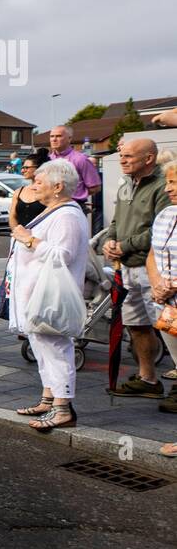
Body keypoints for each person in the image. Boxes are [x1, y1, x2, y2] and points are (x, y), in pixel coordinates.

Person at [7, 159, 91, 429]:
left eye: (39, 182)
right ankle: (49, 399)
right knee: (41, 346)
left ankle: (63, 408)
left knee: (56, 349)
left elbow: (62, 256)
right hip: (37, 294)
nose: (33, 186)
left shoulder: (67, 215)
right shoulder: (55, 211)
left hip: (51, 296)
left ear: (57, 187)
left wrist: (28, 239)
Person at [102, 137, 167, 397]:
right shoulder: (126, 185)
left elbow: (160, 231)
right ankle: (148, 378)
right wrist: (109, 241)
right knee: (136, 325)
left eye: (128, 156)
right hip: (127, 268)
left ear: (148, 158)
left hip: (152, 269)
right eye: (122, 156)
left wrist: (124, 245)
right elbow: (116, 221)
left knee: (166, 326)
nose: (123, 160)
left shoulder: (163, 187)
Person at [146, 159, 177, 415]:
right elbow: (152, 255)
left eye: (174, 182)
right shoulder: (165, 215)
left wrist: (172, 285)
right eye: (168, 182)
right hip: (168, 307)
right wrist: (157, 284)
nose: (168, 189)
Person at [47, 125, 102, 216]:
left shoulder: (81, 159)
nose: (54, 139)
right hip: (50, 207)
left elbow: (95, 187)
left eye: (59, 136)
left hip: (73, 207)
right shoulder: (47, 159)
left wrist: (77, 194)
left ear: (69, 139)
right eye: (52, 136)